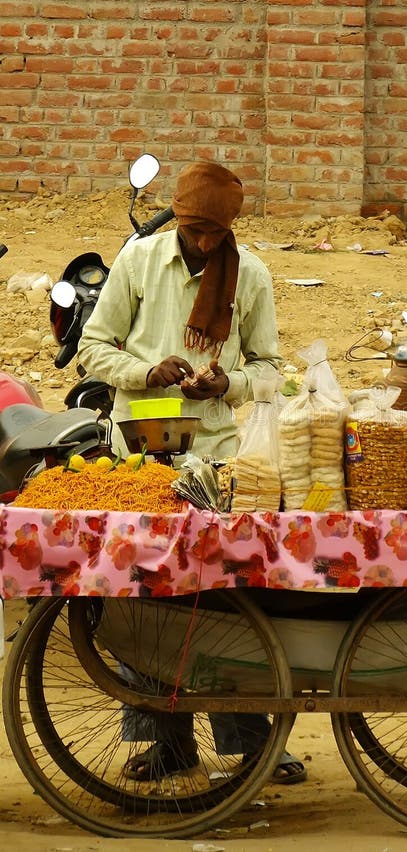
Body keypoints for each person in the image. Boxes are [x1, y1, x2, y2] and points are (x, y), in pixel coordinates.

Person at [77, 160, 307, 785]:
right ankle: (165, 741)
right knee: (147, 595)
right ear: (178, 221)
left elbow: (275, 371)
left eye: (214, 235)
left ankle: (252, 739)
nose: (204, 245)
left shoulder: (251, 274)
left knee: (230, 596)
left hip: (219, 455)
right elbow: (92, 348)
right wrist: (143, 371)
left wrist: (229, 383)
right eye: (194, 233)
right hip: (144, 449)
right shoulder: (139, 261)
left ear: (228, 230)